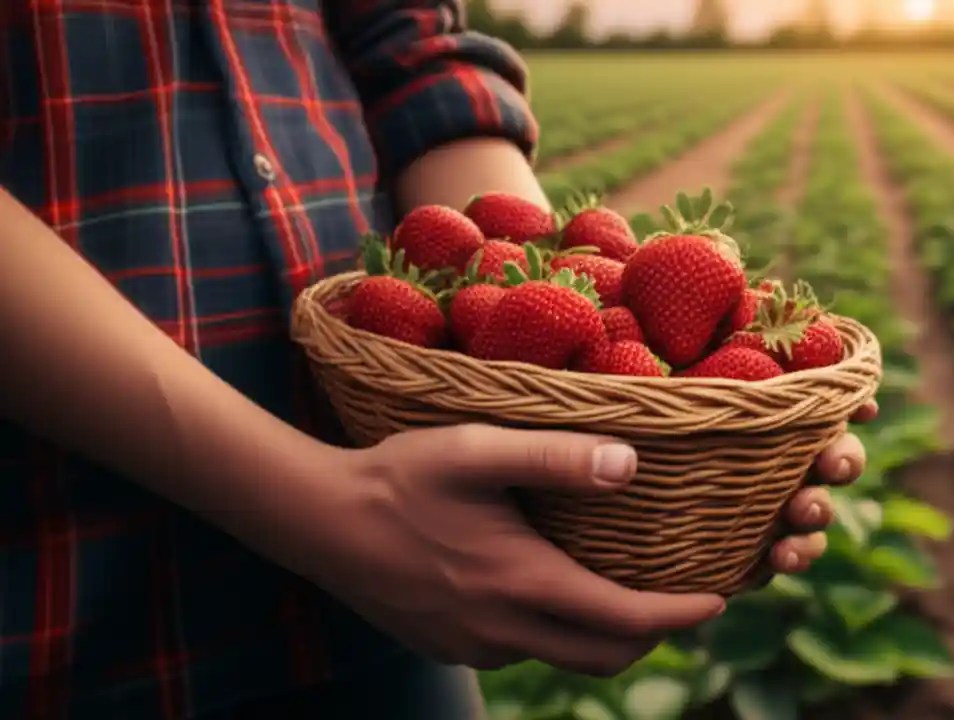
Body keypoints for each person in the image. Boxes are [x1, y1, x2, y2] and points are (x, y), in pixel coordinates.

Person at [0, 2, 874, 718]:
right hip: (67, 608)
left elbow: (409, 50)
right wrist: (312, 507)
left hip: (388, 589)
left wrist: (585, 402)